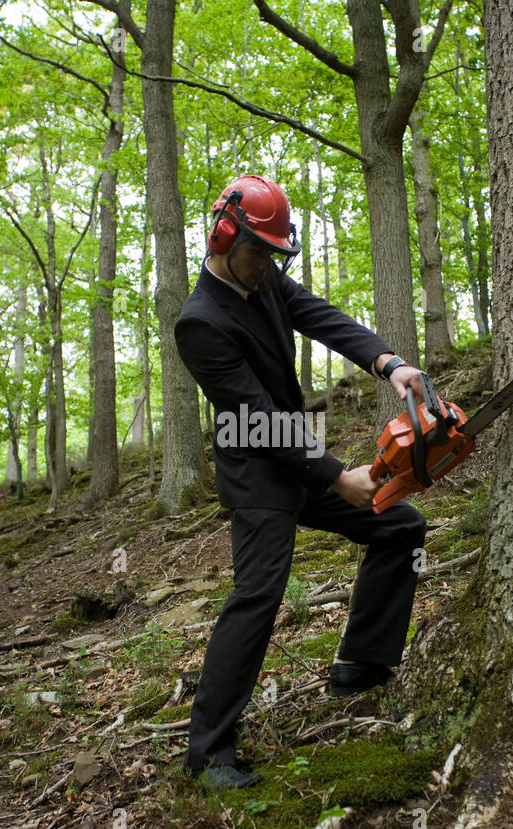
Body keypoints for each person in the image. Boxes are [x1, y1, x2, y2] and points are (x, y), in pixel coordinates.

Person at [173, 174, 428, 790]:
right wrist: (339, 477)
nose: (268, 263)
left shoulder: (264, 278)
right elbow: (254, 417)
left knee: (400, 527)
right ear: (225, 236)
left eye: (274, 252)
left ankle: (361, 665)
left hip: (303, 461)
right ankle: (207, 754)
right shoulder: (200, 322)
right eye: (259, 250)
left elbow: (326, 319)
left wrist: (386, 362)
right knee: (259, 596)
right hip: (258, 473)